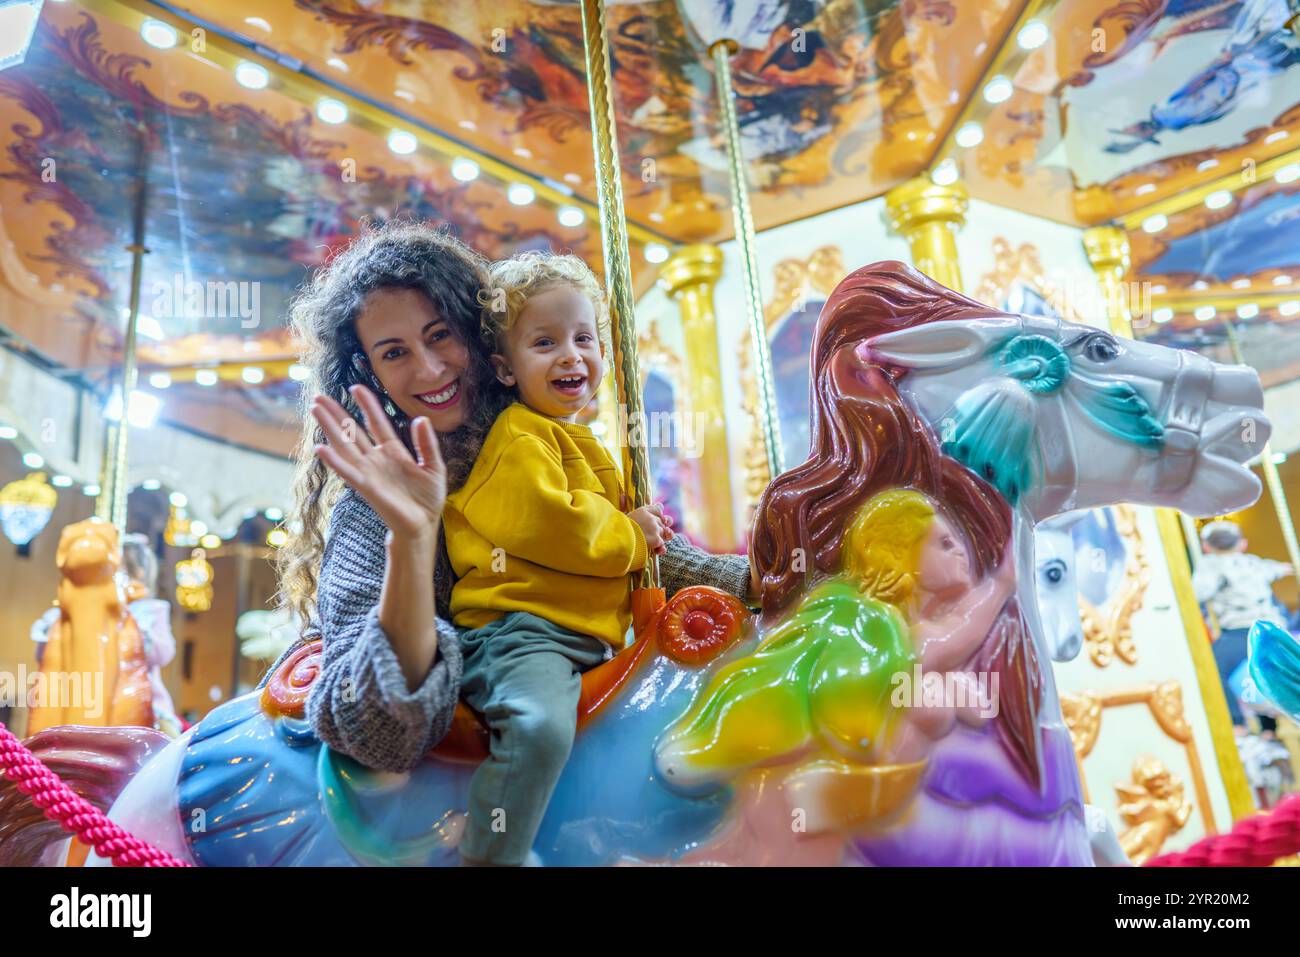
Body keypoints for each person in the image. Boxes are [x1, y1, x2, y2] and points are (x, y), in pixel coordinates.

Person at [272, 220, 755, 780]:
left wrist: (762, 577)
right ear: (370, 371)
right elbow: (371, 728)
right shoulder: (373, 503)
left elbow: (630, 546)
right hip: (471, 744)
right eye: (395, 352)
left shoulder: (535, 433)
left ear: (478, 336)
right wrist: (411, 537)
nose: (429, 369)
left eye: (440, 335)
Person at [441, 252, 672, 865]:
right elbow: (553, 526)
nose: (571, 355)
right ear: (506, 369)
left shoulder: (581, 439)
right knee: (540, 729)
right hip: (520, 632)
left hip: (583, 637)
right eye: (545, 343)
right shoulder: (519, 436)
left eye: (583, 338)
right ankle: (490, 854)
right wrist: (630, 534)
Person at [1192, 519, 1295, 726]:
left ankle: (1237, 724)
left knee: (1212, 667)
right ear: (1242, 544)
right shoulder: (1252, 562)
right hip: (1273, 627)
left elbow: (1198, 592)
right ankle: (1269, 727)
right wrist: (1285, 568)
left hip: (1242, 630)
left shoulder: (1210, 564)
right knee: (1267, 669)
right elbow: (1274, 568)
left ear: (1206, 546)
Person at [120, 534, 182, 737]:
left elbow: (163, 653)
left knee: (169, 740)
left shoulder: (151, 610)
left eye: (122, 572)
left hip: (146, 697)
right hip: (104, 691)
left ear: (138, 574)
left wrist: (140, 631)